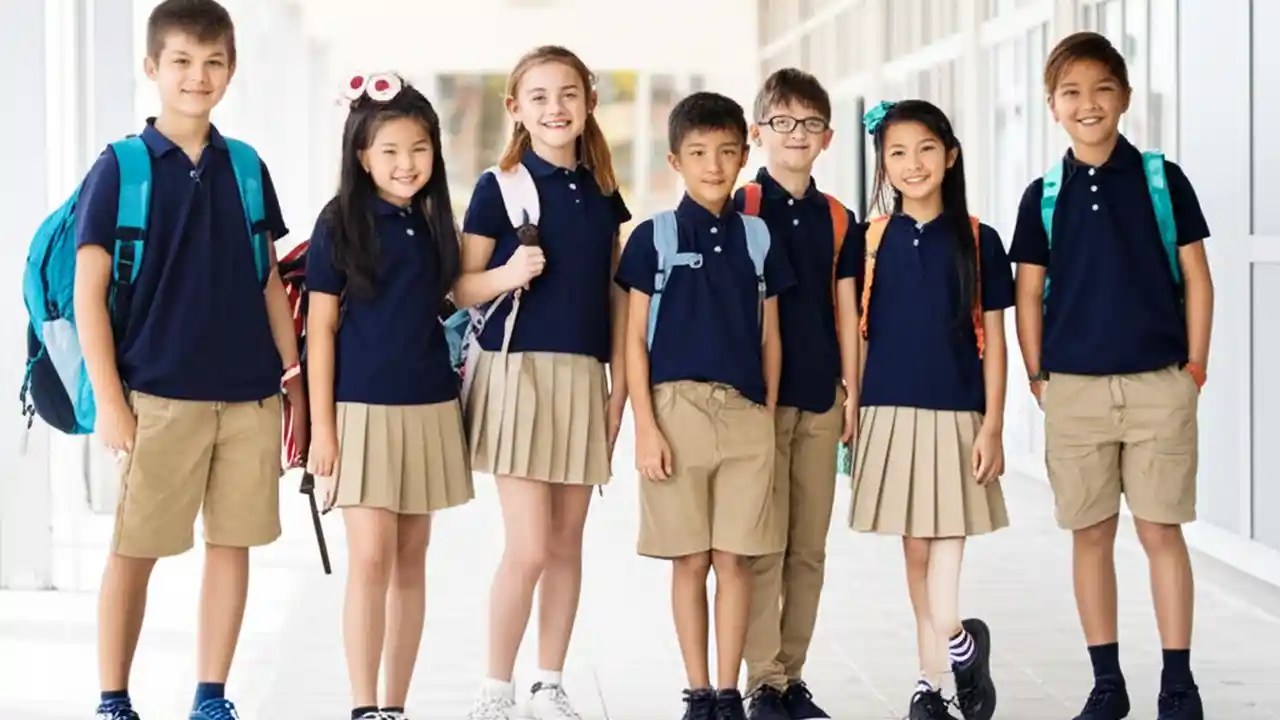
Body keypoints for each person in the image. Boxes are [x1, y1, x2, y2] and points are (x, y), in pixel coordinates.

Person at [73, 1, 305, 718]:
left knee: (233, 546)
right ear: (152, 68)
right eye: (181, 61)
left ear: (230, 70)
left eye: (212, 63)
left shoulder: (245, 166)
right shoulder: (120, 168)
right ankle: (114, 698)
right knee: (134, 550)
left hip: (249, 396)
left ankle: (211, 696)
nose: (197, 77)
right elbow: (89, 292)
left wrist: (291, 378)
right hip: (157, 397)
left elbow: (267, 277)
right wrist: (111, 401)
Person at [1010, 32, 1213, 720]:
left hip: (1160, 384)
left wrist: (1194, 366)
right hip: (1075, 391)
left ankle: (1177, 684)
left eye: (1102, 89)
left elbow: (1196, 276)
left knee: (1161, 531)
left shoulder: (1162, 179)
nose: (1088, 104)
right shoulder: (1043, 196)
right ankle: (1108, 684)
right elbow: (1028, 293)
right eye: (1071, 92)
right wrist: (1039, 377)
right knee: (1090, 533)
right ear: (1052, 106)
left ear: (1124, 96)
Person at [455, 45, 631, 720]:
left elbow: (617, 293)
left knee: (566, 547)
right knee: (528, 547)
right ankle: (494, 690)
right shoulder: (498, 189)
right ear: (516, 109)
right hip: (517, 375)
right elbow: (461, 286)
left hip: (584, 376)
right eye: (539, 96)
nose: (555, 108)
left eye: (568, 94)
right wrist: (509, 273)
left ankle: (548, 684)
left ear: (587, 101)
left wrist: (618, 388)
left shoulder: (604, 191)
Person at [615, 90, 795, 720]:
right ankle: (698, 693)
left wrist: (766, 416)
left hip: (746, 416)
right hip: (676, 411)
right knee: (690, 560)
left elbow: (771, 334)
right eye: (698, 154)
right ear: (676, 161)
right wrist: (646, 427)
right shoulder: (652, 238)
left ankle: (728, 692)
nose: (713, 166)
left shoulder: (758, 237)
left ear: (744, 155)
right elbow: (633, 341)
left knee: (737, 559)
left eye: (725, 152)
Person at [305, 72, 474, 720]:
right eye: (390, 151)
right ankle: (363, 704)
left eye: (419, 148)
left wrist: (515, 273)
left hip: (429, 407)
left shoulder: (434, 222)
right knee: (370, 558)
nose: (407, 164)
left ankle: (395, 707)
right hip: (359, 411)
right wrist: (324, 430)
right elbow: (320, 328)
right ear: (361, 156)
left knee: (411, 561)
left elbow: (453, 296)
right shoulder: (340, 221)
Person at [847, 99, 1009, 720]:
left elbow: (990, 342)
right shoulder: (868, 242)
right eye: (896, 153)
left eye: (924, 149)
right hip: (889, 413)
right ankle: (933, 681)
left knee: (944, 548)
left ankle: (958, 644)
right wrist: (855, 412)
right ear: (882, 165)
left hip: (958, 416)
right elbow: (857, 335)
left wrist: (993, 424)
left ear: (950, 155)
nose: (912, 164)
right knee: (914, 550)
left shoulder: (978, 240)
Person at [734, 67, 860, 720]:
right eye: (782, 122)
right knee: (763, 546)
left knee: (809, 549)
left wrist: (854, 397)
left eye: (809, 124)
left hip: (819, 399)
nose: (796, 135)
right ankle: (763, 680)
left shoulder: (839, 219)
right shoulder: (741, 208)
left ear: (828, 137)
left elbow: (848, 313)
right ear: (758, 133)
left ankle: (793, 677)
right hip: (756, 405)